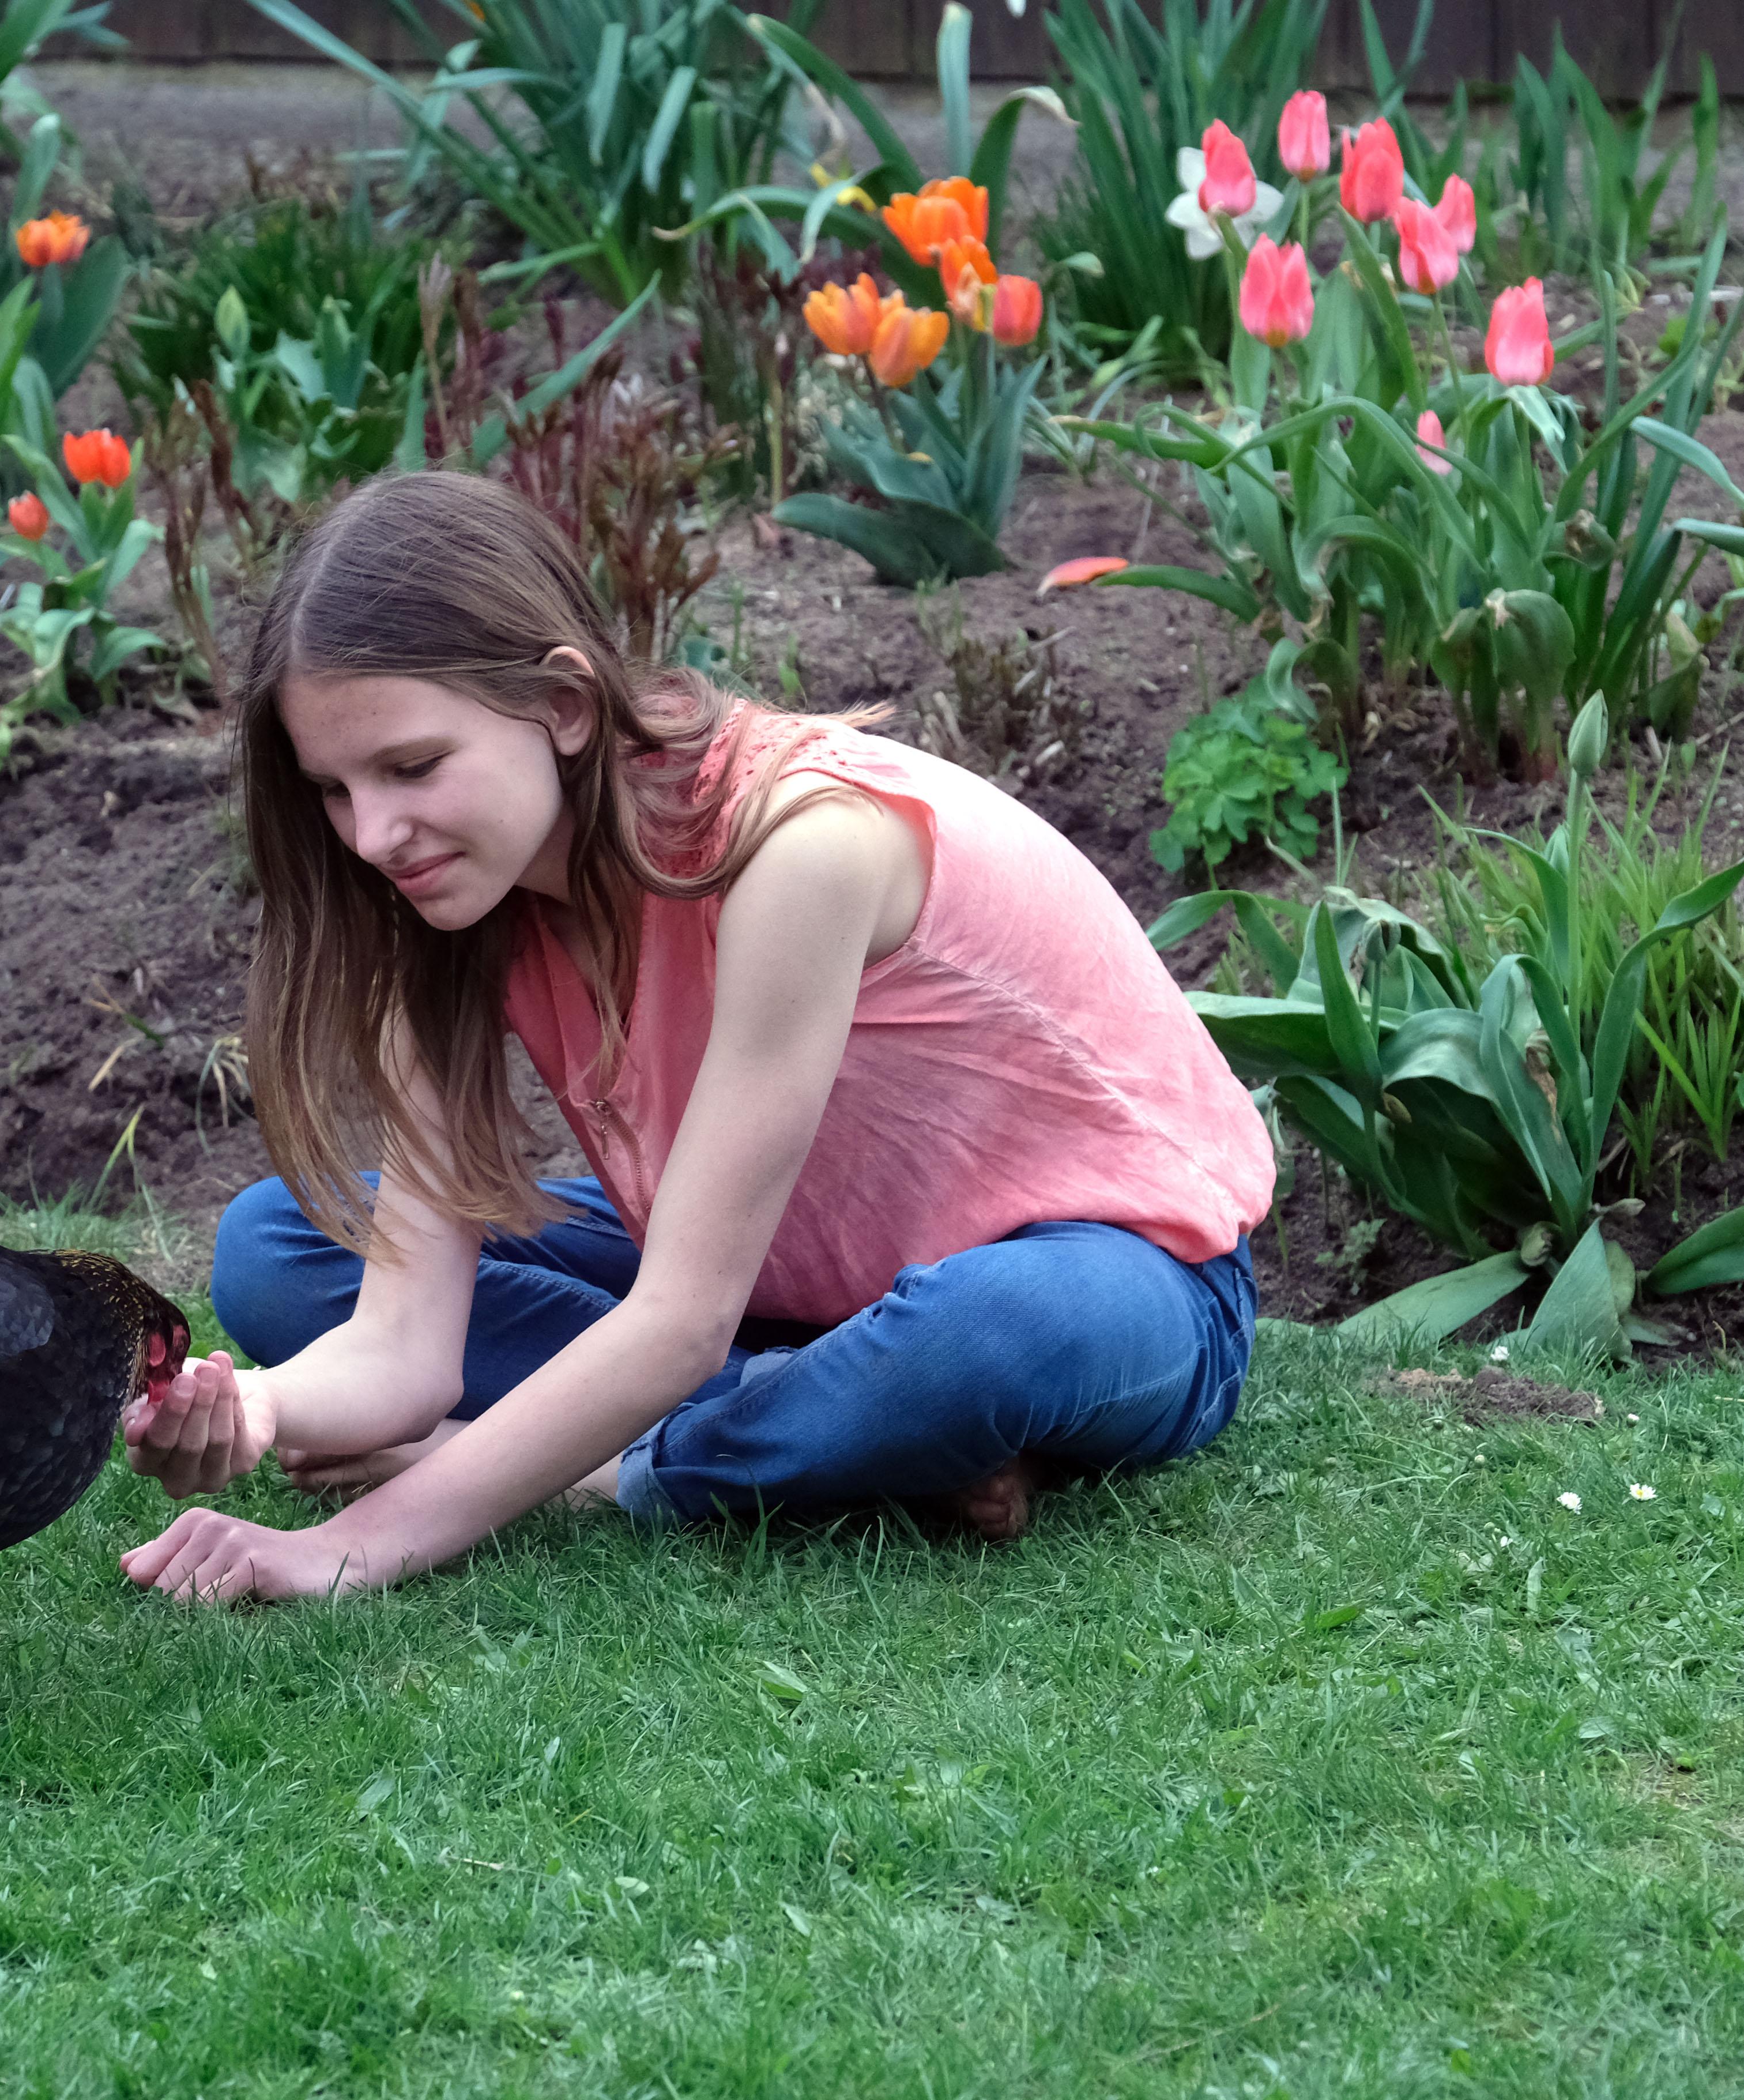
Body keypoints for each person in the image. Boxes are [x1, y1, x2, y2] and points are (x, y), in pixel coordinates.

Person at [119, 474, 1268, 1604]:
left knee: (979, 1345)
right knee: (278, 1245)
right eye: (333, 788)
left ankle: (625, 1468)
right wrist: (258, 1409)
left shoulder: (802, 845)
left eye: (413, 767)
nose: (374, 834)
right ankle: (840, 1430)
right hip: (783, 1289)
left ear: (565, 707)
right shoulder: (450, 899)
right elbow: (403, 1354)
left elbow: (677, 1322)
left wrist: (359, 1541)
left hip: (1122, 1276)